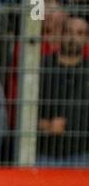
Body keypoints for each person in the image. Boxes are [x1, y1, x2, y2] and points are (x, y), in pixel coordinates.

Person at [37, 16, 89, 165]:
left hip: (81, 153)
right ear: (61, 34)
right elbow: (25, 105)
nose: (73, 38)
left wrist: (70, 125)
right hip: (43, 151)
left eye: (79, 33)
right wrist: (46, 125)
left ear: (86, 39)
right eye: (68, 32)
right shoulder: (42, 66)